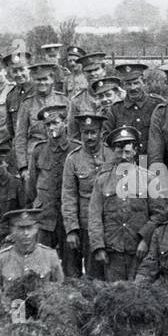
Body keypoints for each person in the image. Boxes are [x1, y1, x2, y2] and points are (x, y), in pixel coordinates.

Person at [89, 127, 157, 282]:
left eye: (127, 152)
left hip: (139, 251)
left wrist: (145, 240)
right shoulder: (102, 180)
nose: (123, 156)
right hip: (113, 252)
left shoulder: (149, 180)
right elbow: (94, 216)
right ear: (113, 152)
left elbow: (158, 214)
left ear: (135, 152)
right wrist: (98, 247)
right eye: (119, 152)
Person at [61, 113, 113, 279]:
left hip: (112, 225)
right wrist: (71, 229)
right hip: (86, 225)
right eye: (85, 133)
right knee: (92, 275)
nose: (89, 136)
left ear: (100, 133)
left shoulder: (112, 155)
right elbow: (68, 196)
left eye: (93, 132)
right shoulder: (73, 159)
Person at [30, 104, 74, 250]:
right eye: (48, 124)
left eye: (55, 123)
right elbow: (31, 186)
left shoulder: (75, 149)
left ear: (65, 123)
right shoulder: (39, 150)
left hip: (67, 219)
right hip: (44, 216)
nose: (51, 127)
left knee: (70, 267)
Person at [0, 208, 65, 291]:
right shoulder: (0, 259)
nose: (26, 233)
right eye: (20, 228)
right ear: (12, 230)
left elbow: (60, 289)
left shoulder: (50, 256)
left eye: (30, 228)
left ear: (36, 228)